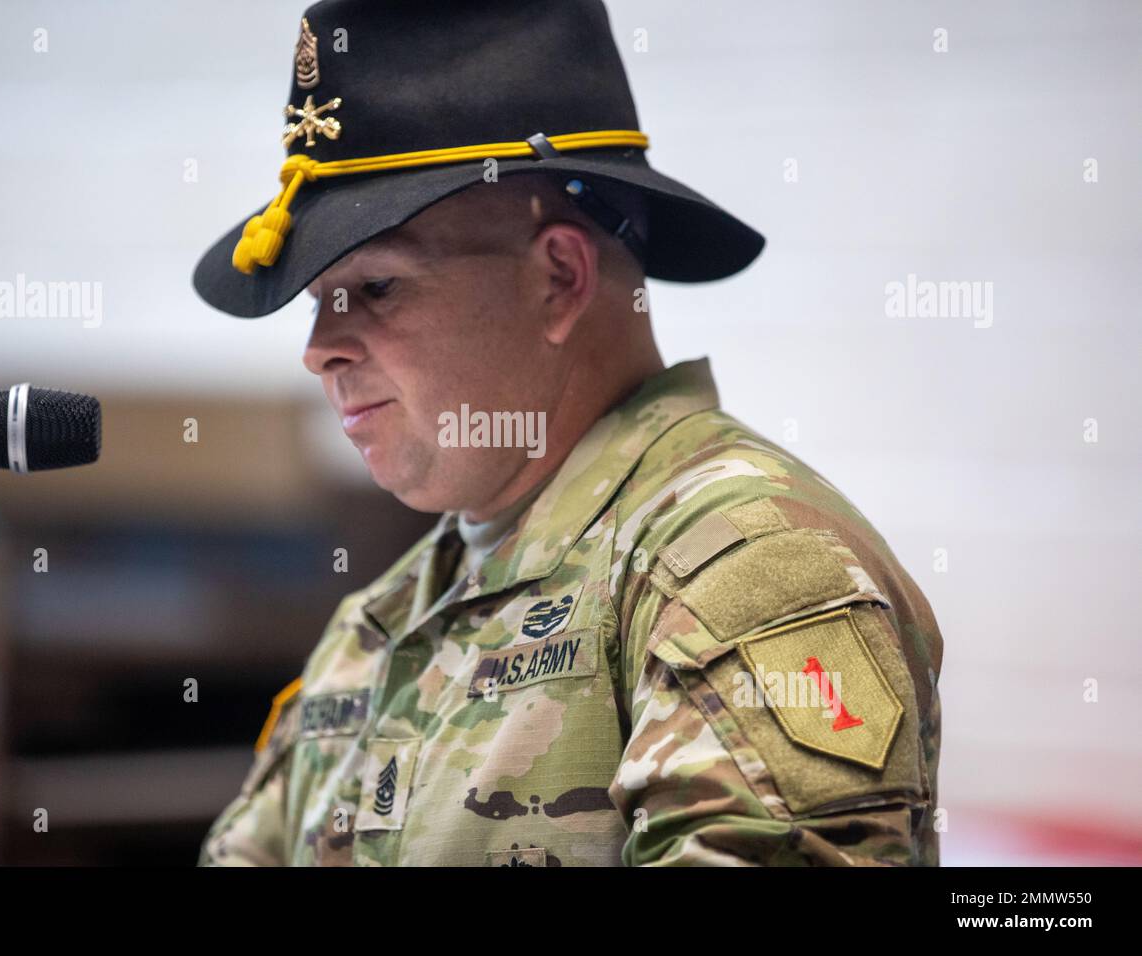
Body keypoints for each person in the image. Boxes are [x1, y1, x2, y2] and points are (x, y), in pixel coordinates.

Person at [193, 0, 943, 866]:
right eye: (317, 300)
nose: (319, 350)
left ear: (558, 277)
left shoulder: (749, 575)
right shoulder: (383, 620)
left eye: (378, 287)